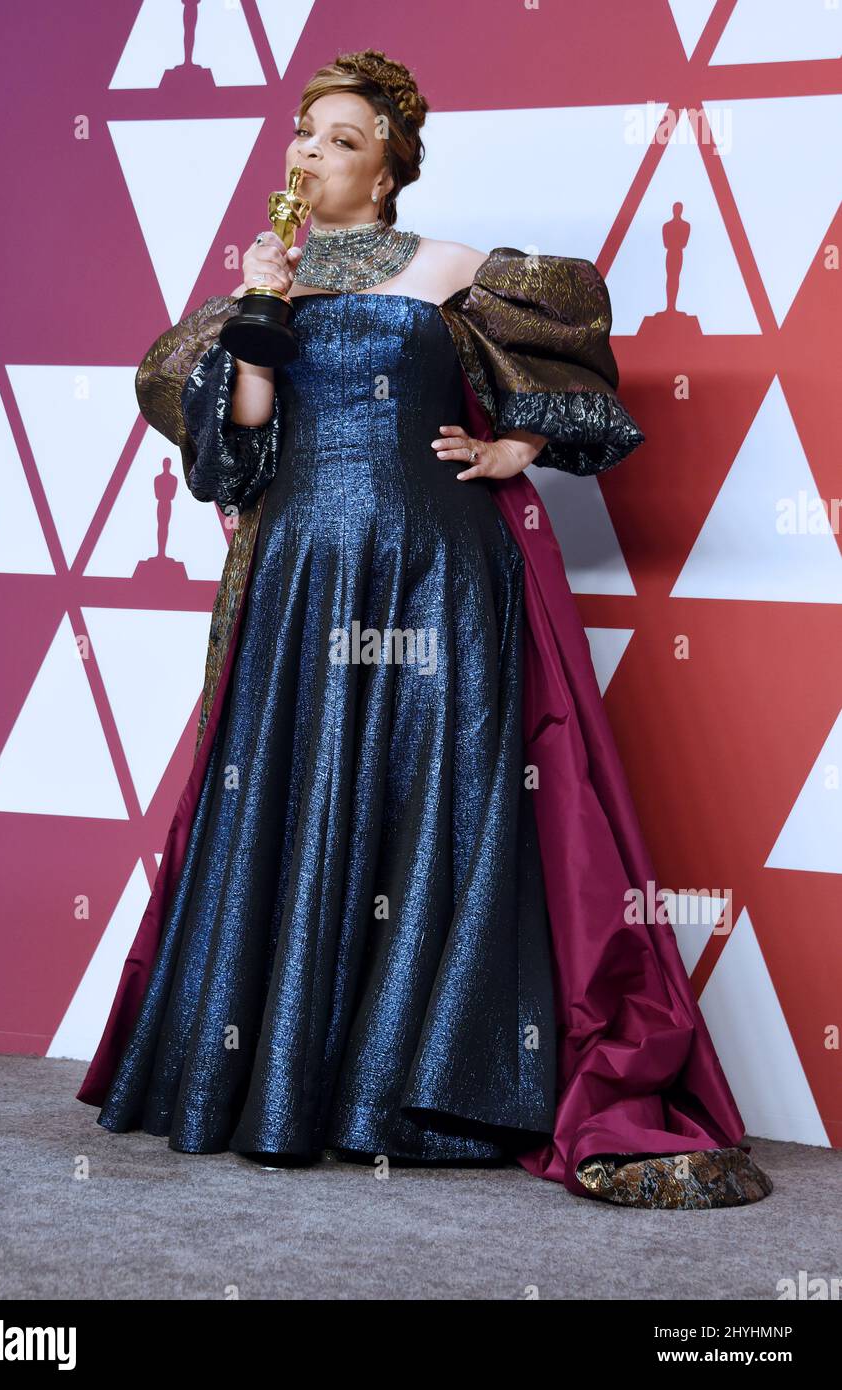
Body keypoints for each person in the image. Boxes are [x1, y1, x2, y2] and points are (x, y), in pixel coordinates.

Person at [76, 49, 772, 1209]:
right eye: (306, 134)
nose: (313, 154)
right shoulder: (265, 288)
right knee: (298, 799)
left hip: (437, 579)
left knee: (427, 805)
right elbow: (234, 456)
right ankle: (283, 1081)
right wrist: (258, 305)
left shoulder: (447, 268)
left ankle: (411, 1091)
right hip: (299, 587)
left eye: (344, 139)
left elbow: (578, 370)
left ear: (389, 169)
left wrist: (520, 448)